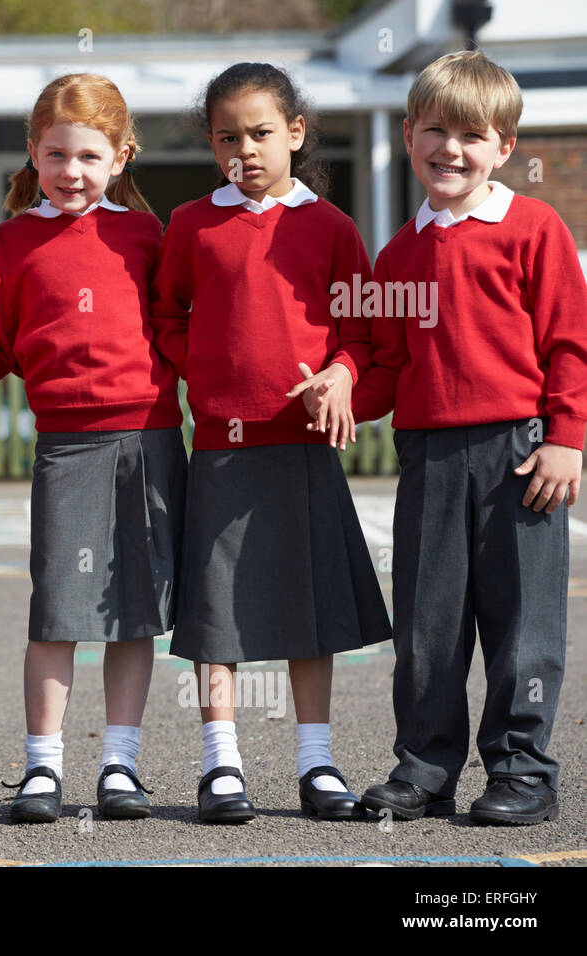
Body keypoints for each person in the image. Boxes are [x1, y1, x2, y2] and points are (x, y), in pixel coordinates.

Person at [151, 62, 391, 824]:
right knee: (215, 614)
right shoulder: (192, 223)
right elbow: (168, 318)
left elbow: (362, 330)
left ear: (295, 132)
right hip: (221, 449)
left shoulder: (331, 226)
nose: (244, 150)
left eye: (260, 133)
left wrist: (343, 374)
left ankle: (316, 765)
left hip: (305, 449)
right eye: (228, 137)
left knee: (308, 610)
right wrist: (210, 371)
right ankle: (220, 765)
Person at [350, 51, 585, 825]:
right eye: (435, 130)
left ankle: (522, 771)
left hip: (522, 455)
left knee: (524, 627)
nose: (451, 148)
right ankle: (423, 767)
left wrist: (567, 438)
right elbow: (386, 367)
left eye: (472, 135)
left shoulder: (533, 227)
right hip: (428, 457)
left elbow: (570, 343)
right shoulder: (398, 253)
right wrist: (341, 387)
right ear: (409, 134)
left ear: (504, 147)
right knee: (427, 629)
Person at [0, 74, 185, 823]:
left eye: (89, 156)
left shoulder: (145, 236)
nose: (72, 172)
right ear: (34, 155)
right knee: (60, 611)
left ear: (122, 157)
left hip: (151, 439)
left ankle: (120, 765)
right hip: (67, 446)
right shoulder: (12, 241)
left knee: (133, 613)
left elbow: (174, 322)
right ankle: (42, 768)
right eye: (56, 155)